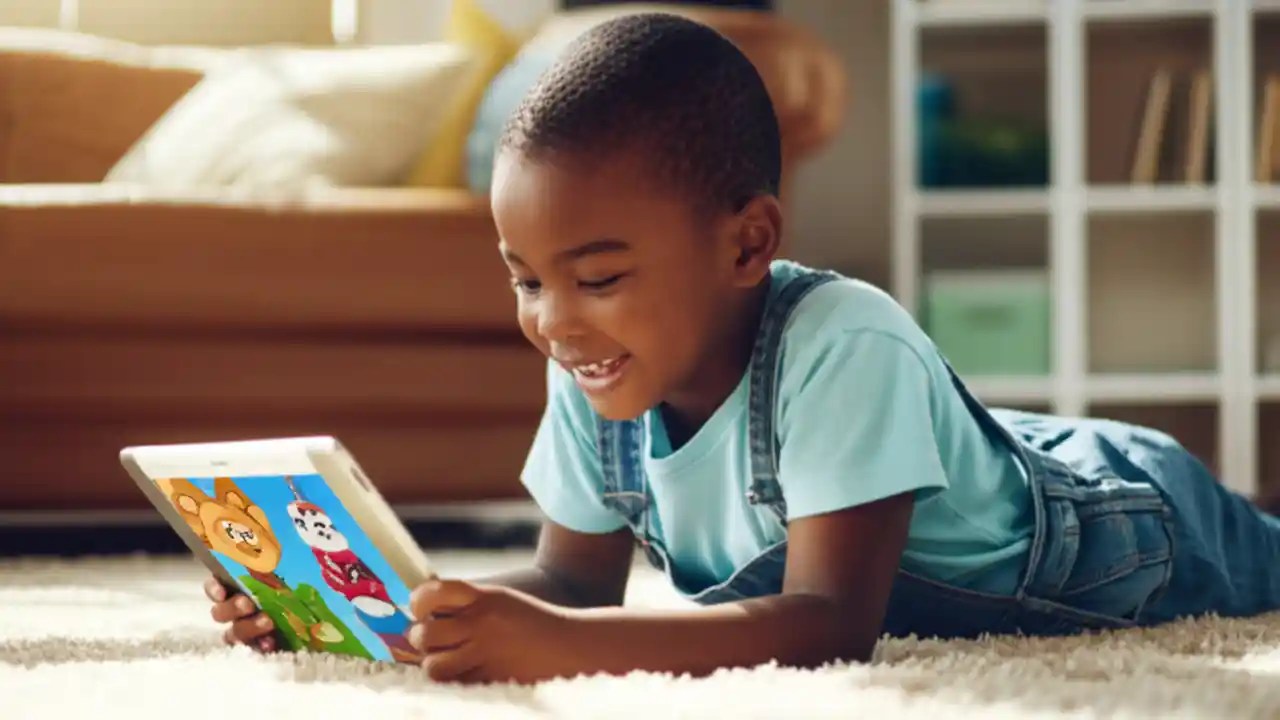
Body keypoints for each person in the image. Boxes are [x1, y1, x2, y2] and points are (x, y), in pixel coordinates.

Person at [204, 12, 1280, 684]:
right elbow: (566, 586)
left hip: (1127, 531)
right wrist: (374, 613)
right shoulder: (590, 372)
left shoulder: (843, 342)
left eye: (598, 276)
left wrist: (562, 651)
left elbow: (826, 628)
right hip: (978, 457)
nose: (554, 319)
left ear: (748, 241)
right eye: (525, 279)